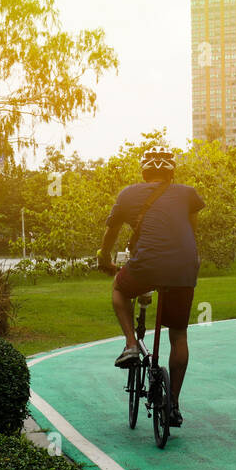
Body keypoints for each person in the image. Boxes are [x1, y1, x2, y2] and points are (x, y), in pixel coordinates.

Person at [97, 143, 204, 428]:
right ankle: (173, 405)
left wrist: (104, 257)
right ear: (171, 172)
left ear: (144, 171)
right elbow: (191, 230)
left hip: (146, 265)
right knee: (178, 335)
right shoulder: (188, 194)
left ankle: (131, 345)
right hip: (183, 267)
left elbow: (111, 232)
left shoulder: (128, 194)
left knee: (120, 289)